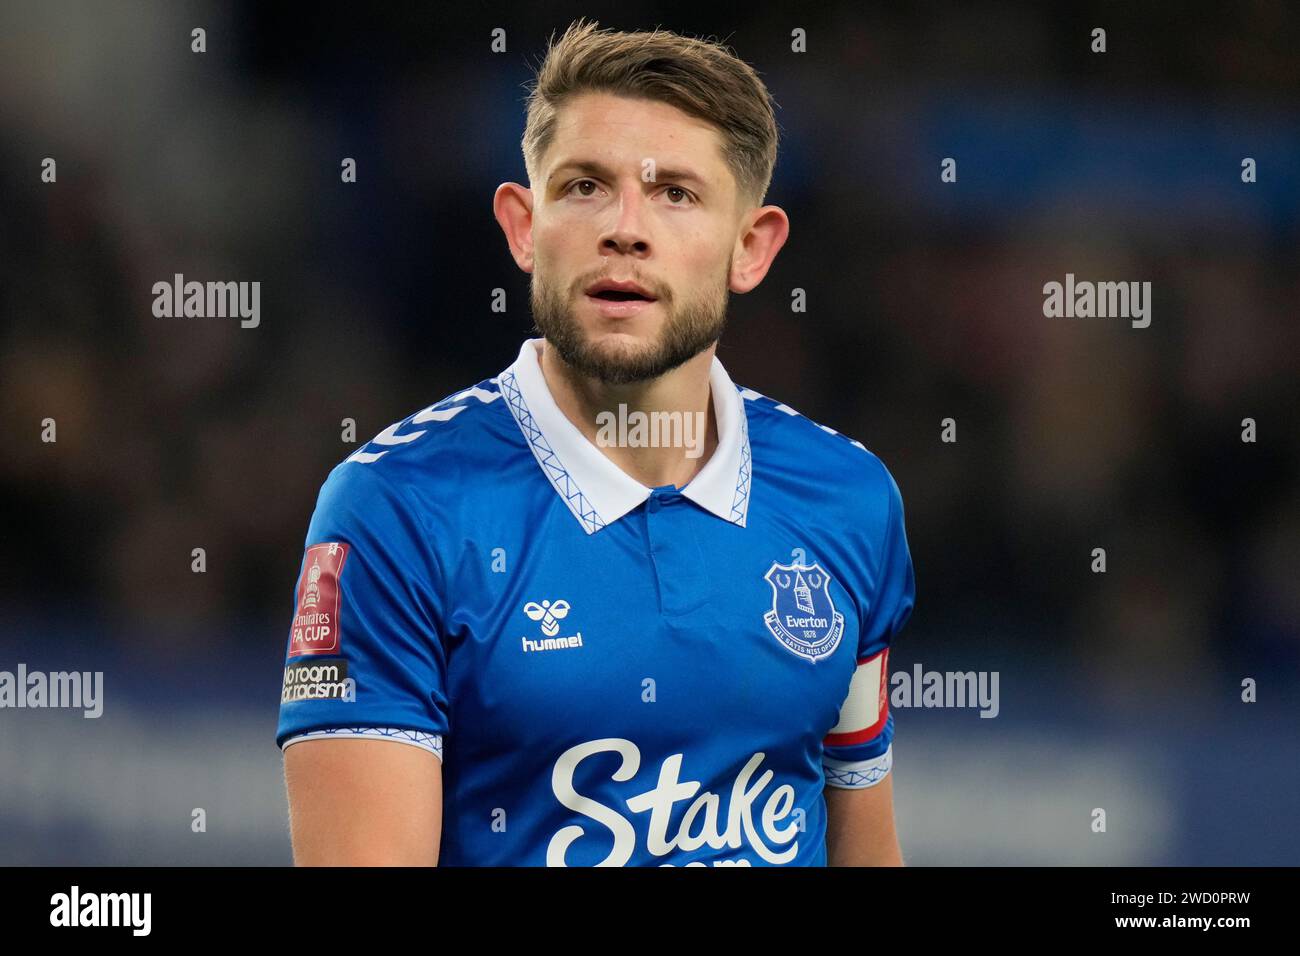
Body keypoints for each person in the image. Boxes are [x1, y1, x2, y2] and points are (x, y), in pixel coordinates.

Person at [278, 18, 915, 866]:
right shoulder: (398, 509)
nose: (626, 227)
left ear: (751, 248)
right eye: (583, 187)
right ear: (522, 226)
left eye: (676, 194)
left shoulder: (848, 499)